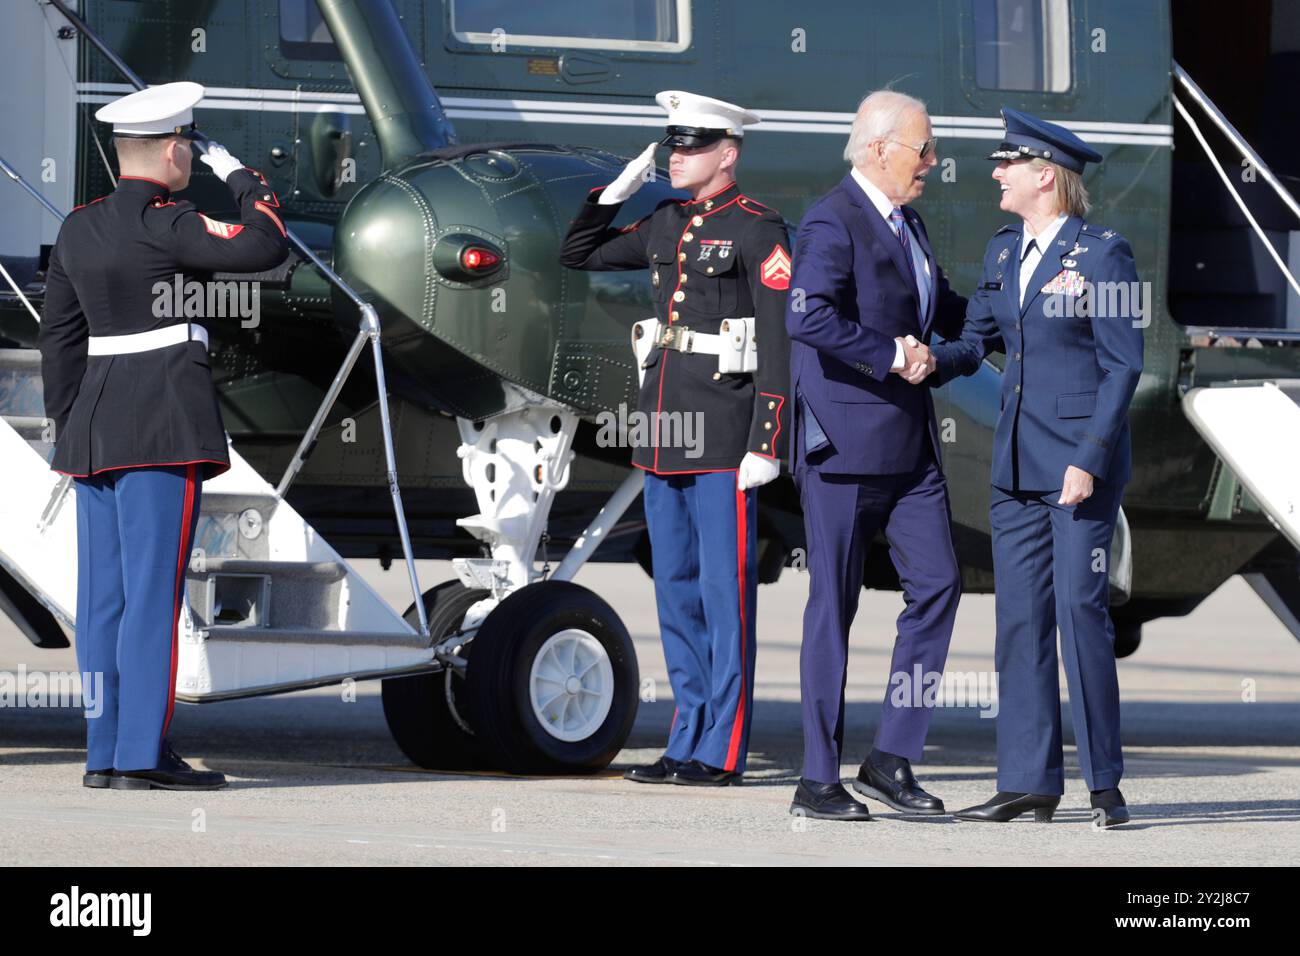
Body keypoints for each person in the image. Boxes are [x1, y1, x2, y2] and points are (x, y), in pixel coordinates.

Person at [39, 81, 289, 790]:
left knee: (102, 603)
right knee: (151, 597)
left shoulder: (78, 227)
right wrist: (243, 178)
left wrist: (69, 425)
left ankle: (105, 754)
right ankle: (142, 755)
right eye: (189, 144)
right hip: (161, 428)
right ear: (177, 149)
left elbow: (59, 339)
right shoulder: (169, 222)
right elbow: (265, 246)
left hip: (91, 432)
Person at [560, 90, 791, 786]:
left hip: (725, 432)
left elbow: (779, 340)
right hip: (663, 428)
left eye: (692, 146)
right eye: (673, 146)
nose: (677, 157)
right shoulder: (665, 220)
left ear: (729, 153)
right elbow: (579, 254)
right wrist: (610, 196)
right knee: (676, 589)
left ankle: (723, 748)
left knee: (726, 593)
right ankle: (687, 737)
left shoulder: (757, 227)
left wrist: (767, 440)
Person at [929, 108, 1143, 827]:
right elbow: (974, 343)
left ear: (1045, 176)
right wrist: (922, 360)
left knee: (1082, 615)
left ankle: (1105, 785)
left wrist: (1089, 461)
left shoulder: (1103, 255)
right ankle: (1027, 781)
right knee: (1019, 622)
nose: (997, 172)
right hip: (1017, 465)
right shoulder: (1002, 252)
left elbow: (1123, 368)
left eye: (1008, 163)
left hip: (1078, 467)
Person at [785, 90, 968, 821]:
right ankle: (816, 779)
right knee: (834, 607)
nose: (933, 162)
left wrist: (1021, 312)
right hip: (844, 447)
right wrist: (891, 355)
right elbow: (808, 315)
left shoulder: (908, 222)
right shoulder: (834, 218)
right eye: (923, 149)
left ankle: (891, 757)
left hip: (910, 448)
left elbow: (942, 306)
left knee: (939, 585)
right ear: (878, 148)